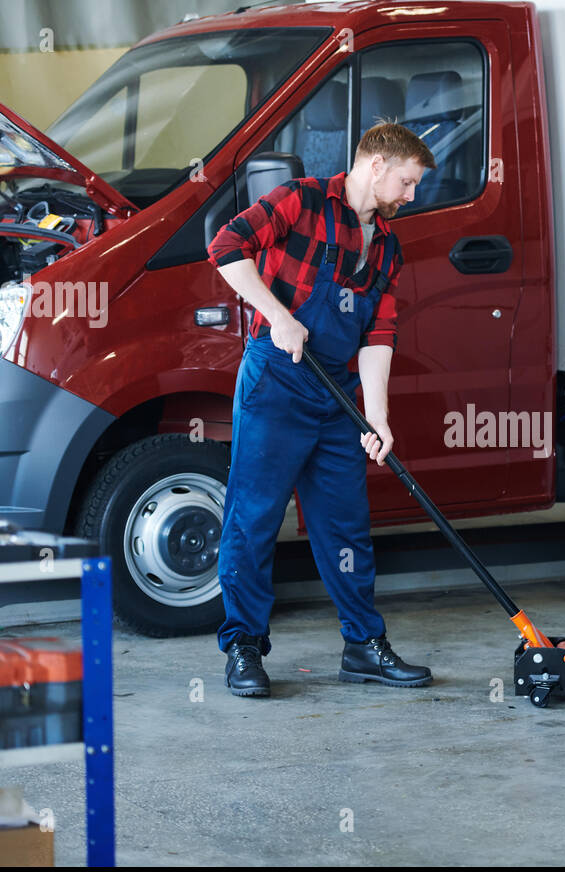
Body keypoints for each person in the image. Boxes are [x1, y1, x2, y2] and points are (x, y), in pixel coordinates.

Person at [207, 123, 436, 697]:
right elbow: (225, 247)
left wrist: (377, 417)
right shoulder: (302, 199)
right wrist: (277, 315)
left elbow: (379, 333)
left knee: (345, 528)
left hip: (336, 393)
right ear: (378, 165)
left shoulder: (386, 244)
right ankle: (243, 648)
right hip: (277, 382)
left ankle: (362, 644)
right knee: (253, 519)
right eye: (408, 182)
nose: (411, 196)